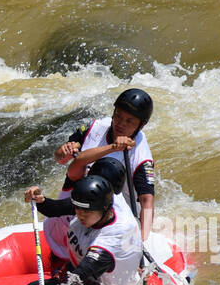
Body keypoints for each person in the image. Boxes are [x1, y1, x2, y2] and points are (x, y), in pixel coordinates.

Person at [26, 174, 142, 285]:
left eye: (86, 213)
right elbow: (56, 208)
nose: (80, 215)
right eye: (77, 210)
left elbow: (83, 273)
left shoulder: (112, 238)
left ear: (104, 209)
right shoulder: (91, 204)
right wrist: (40, 201)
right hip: (79, 275)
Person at [53, 88, 157, 239]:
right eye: (118, 116)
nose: (120, 124)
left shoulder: (141, 156)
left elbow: (147, 201)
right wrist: (63, 153)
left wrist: (143, 239)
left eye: (129, 121)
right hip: (81, 202)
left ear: (141, 125)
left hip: (113, 215)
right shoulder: (94, 127)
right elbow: (60, 159)